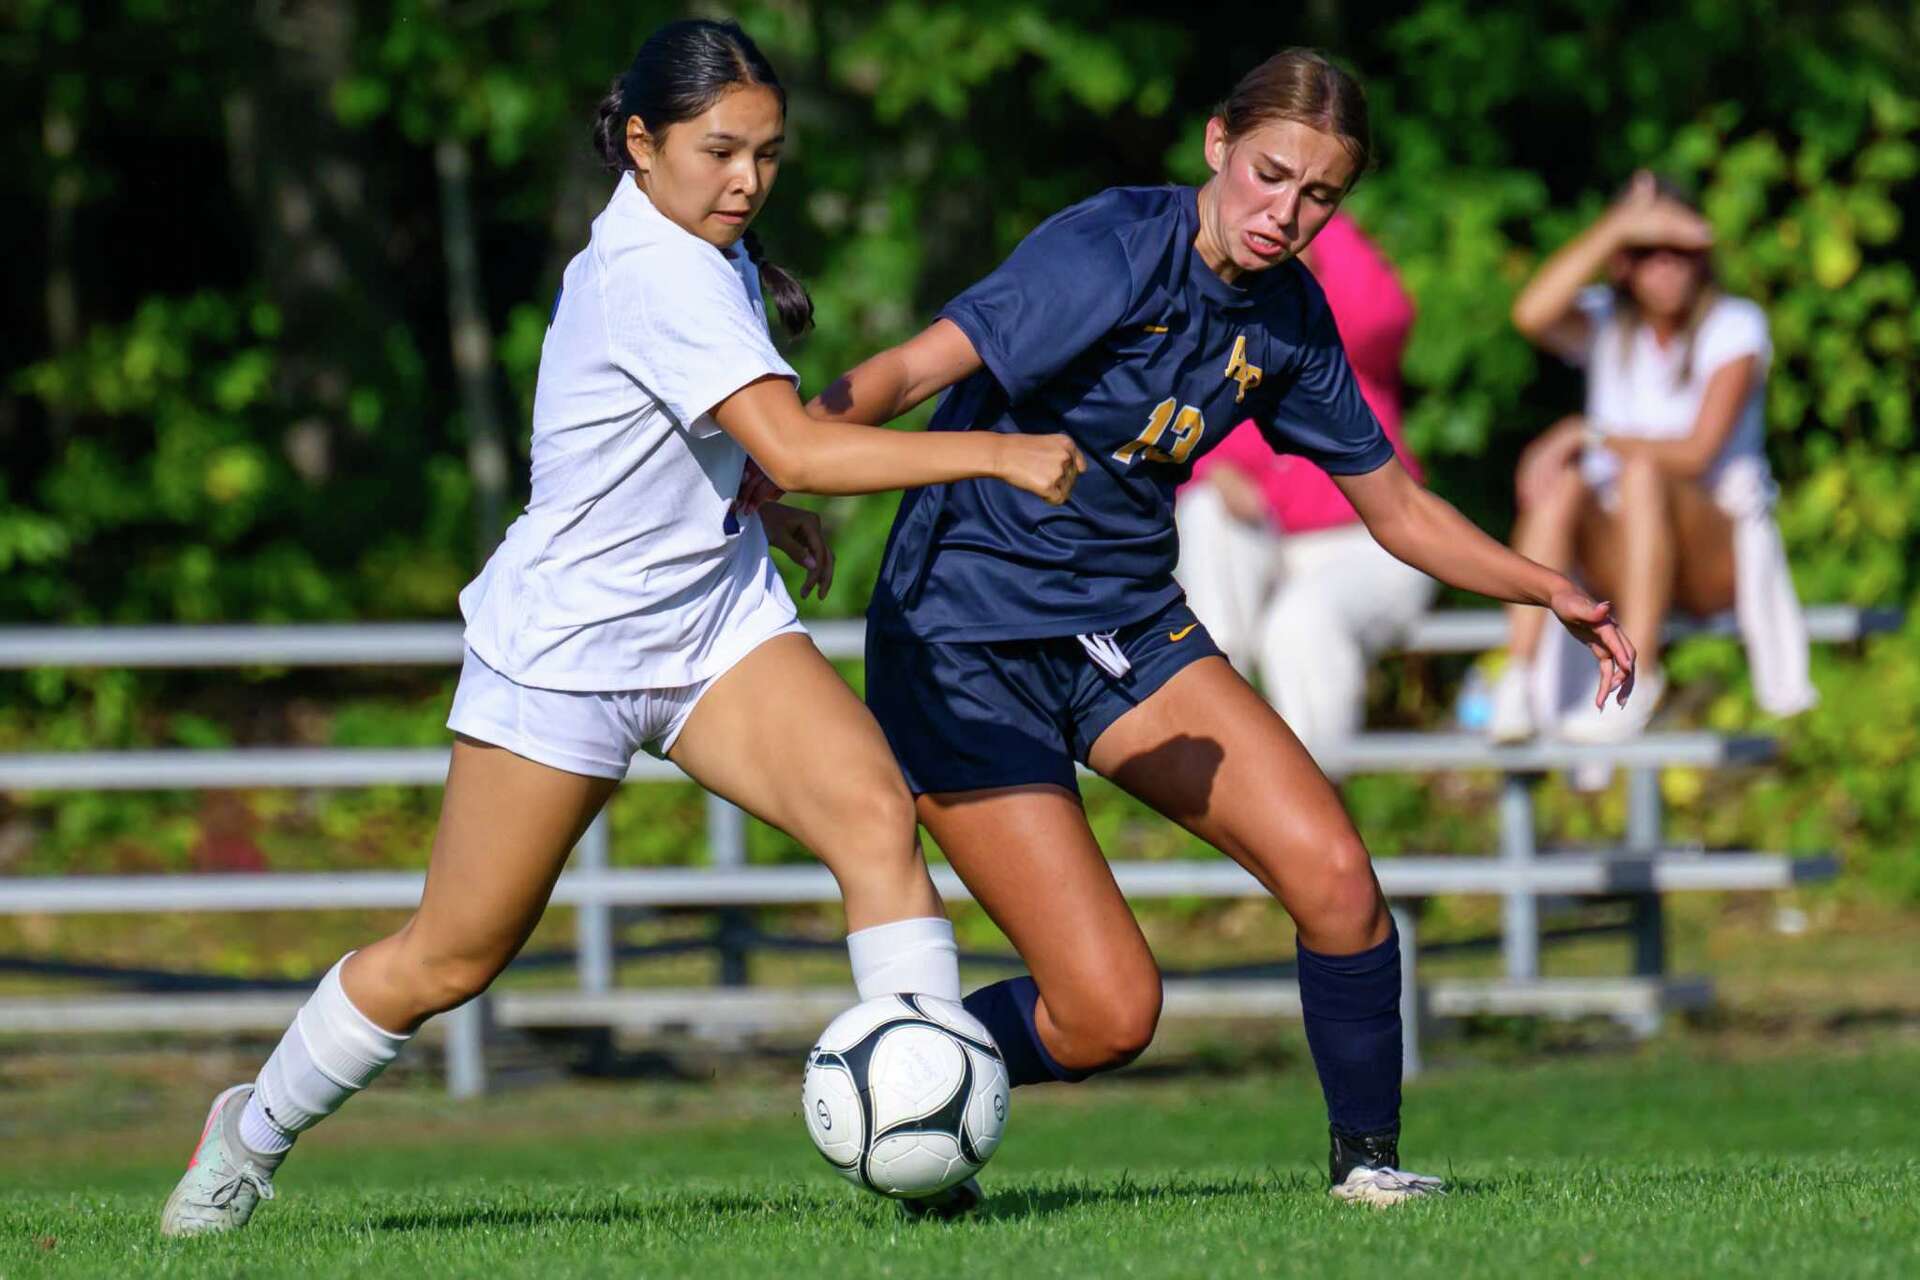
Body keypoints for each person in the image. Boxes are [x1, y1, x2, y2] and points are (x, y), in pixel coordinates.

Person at [158, 19, 1085, 1237]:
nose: (748, 180)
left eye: (767, 154)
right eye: (720, 151)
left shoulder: (710, 248)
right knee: (451, 956)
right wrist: (996, 451)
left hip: (708, 625)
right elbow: (796, 433)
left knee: (872, 813)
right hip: (569, 656)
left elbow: (696, 437)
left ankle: (929, 1152)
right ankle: (251, 1129)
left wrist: (758, 499)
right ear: (640, 145)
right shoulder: (655, 265)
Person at [769, 48, 1635, 1210]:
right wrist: (786, 470)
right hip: (961, 643)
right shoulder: (1109, 250)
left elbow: (1399, 507)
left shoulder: (1288, 319)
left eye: (1321, 194)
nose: (1288, 212)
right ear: (1219, 146)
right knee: (1109, 1011)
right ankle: (883, 1082)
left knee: (1335, 875)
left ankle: (1367, 1169)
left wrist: (1547, 586)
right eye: (1271, 174)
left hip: (1126, 629)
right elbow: (908, 369)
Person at [1487, 171, 1814, 744]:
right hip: (1626, 559)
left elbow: (1695, 453)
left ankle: (1635, 678)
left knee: (1643, 475)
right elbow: (1529, 314)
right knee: (1560, 487)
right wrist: (1617, 225)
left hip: (1712, 555)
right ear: (1624, 264)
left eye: (1678, 252)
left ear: (1701, 259)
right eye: (1646, 252)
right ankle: (1518, 676)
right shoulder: (1609, 325)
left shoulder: (1736, 326)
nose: (1665, 267)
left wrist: (1585, 435)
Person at [1174, 211, 1434, 762]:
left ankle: (1305, 798)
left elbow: (1384, 318)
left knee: (1299, 623)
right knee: (1203, 508)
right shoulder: (1213, 349)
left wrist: (1316, 239)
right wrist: (1205, 471)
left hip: (1370, 546)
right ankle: (1216, 699)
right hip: (1267, 550)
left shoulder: (1342, 320)